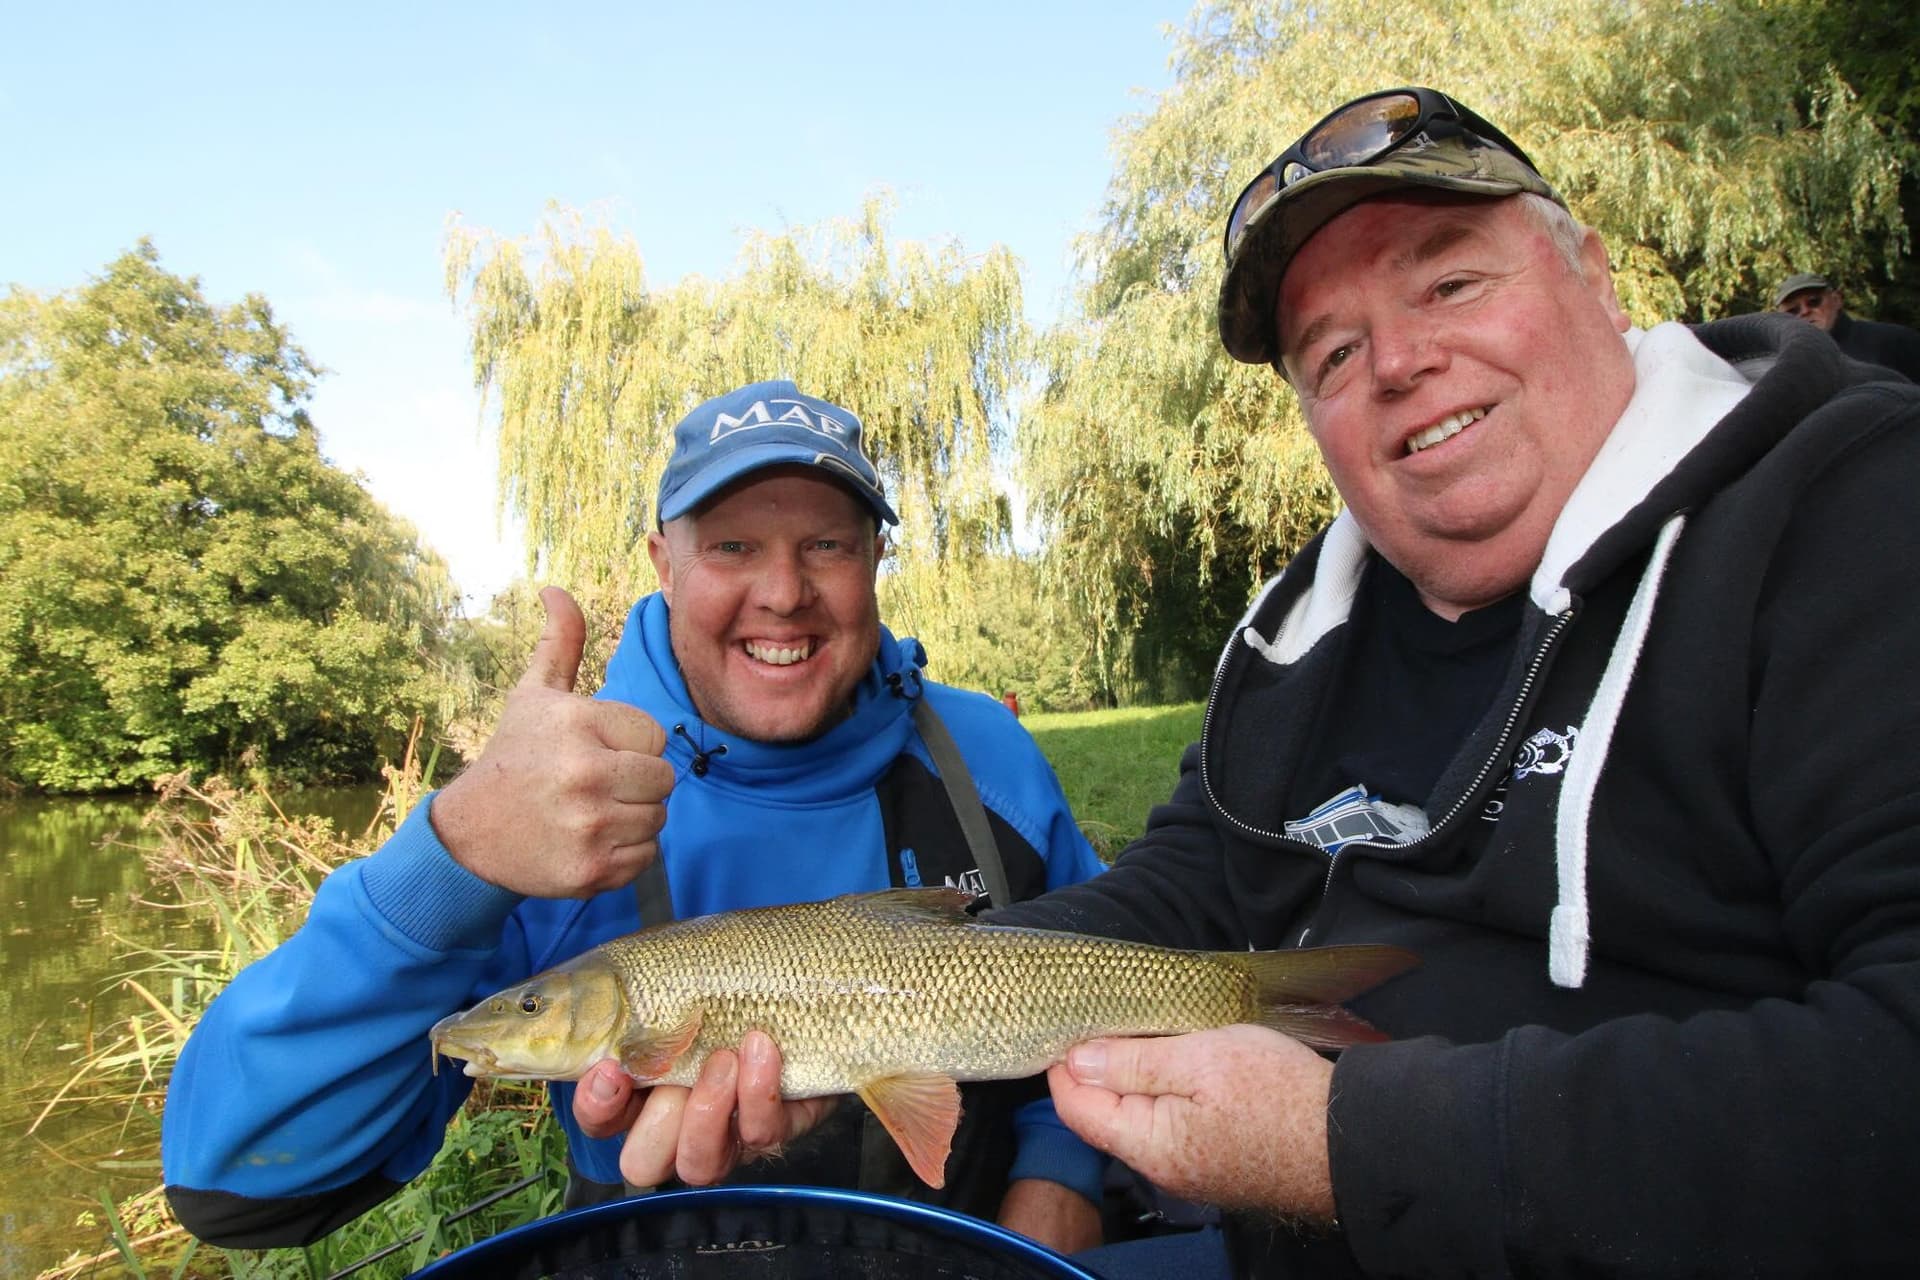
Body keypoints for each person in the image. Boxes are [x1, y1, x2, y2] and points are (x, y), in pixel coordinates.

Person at [612, 89, 1920, 1277]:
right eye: (1334, 354)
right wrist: (876, 1008)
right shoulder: (1299, 633)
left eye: (1449, 284)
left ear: (1593, 274)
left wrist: (1352, 1146)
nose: (1398, 362)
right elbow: (1185, 891)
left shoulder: (1851, 512)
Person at [160, 380, 1110, 1253]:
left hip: (971, 1252)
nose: (782, 593)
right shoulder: (552, 803)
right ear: (663, 561)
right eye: (732, 546)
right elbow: (236, 1187)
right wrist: (453, 861)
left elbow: (1098, 997)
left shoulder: (987, 756)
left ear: (873, 559)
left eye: (826, 544)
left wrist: (1059, 1194)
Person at [1774, 270, 1920, 380]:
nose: (1805, 311)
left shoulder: (1893, 340)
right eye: (1793, 311)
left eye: (1813, 302)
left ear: (1837, 300)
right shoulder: (1785, 367)